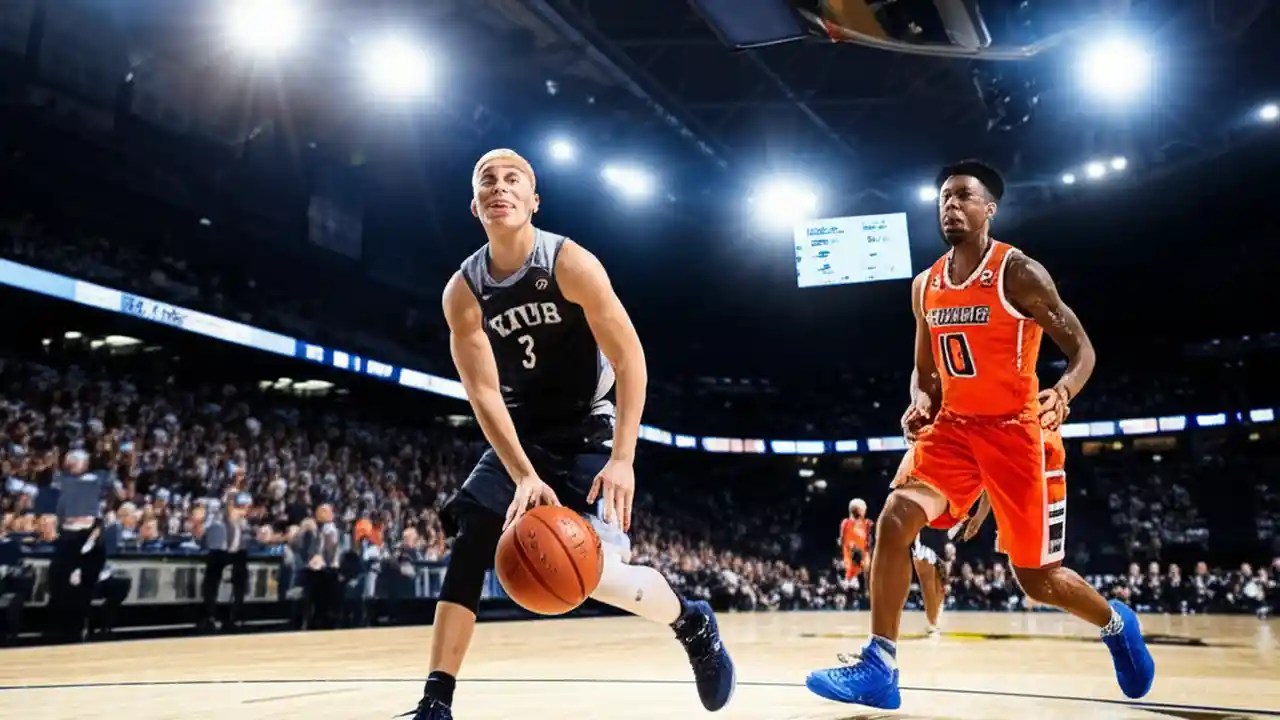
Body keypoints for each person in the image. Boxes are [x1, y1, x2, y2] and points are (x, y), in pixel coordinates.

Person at [806, 159, 1155, 708]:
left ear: (988, 209)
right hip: (954, 430)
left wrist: (1062, 393)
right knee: (896, 517)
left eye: (963, 196)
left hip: (1017, 433)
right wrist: (919, 403)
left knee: (1036, 579)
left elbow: (1082, 350)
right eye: (944, 196)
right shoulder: (925, 287)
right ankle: (880, 665)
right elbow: (925, 374)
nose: (950, 205)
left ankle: (1117, 624)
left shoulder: (1019, 273)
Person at [406, 149, 735, 720]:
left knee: (593, 575)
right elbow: (483, 394)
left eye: (514, 180)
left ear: (534, 201)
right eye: (488, 181)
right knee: (471, 537)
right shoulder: (462, 292)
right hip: (525, 431)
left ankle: (692, 621)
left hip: (589, 425)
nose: (500, 188)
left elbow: (630, 358)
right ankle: (436, 701)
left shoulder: (569, 262)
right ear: (474, 203)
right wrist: (523, 475)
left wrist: (624, 458)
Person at [840, 499, 873, 583]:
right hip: (853, 562)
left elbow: (869, 542)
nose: (865, 511)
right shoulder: (847, 524)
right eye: (864, 509)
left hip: (864, 561)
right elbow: (845, 542)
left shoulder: (867, 524)